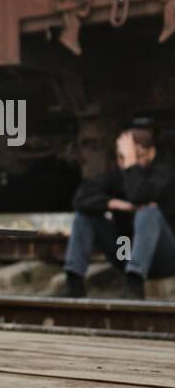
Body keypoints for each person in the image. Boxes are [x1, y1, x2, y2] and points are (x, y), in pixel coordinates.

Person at [64, 127, 175, 299]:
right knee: (84, 215)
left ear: (151, 152)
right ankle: (74, 282)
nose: (128, 162)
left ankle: (135, 286)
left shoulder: (164, 172)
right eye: (123, 157)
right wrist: (115, 204)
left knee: (148, 210)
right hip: (125, 254)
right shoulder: (118, 172)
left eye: (137, 155)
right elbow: (80, 198)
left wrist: (131, 164)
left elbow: (140, 196)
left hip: (164, 258)